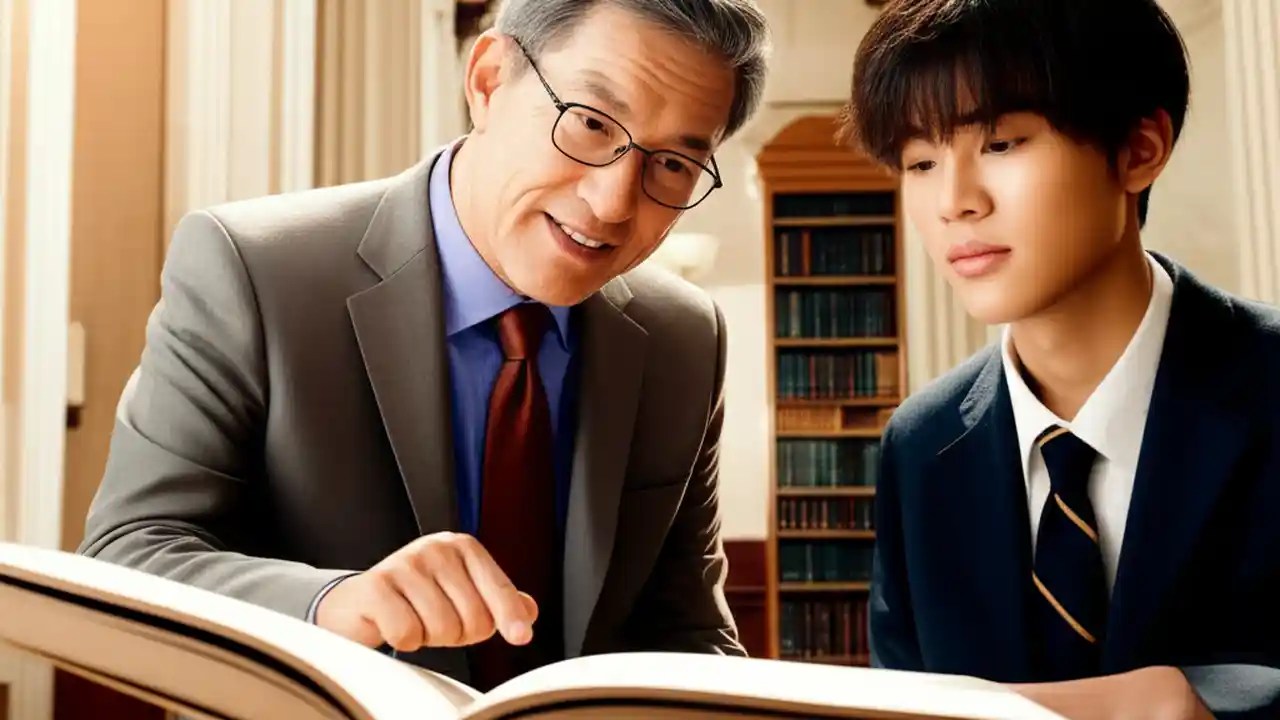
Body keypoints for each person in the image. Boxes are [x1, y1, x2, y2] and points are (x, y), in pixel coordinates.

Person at [78, 0, 770, 691]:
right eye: (589, 123)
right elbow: (127, 558)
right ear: (490, 79)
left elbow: (687, 631)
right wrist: (331, 604)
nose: (615, 202)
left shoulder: (684, 339)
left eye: (675, 165)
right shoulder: (254, 271)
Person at [838, 0, 1280, 717]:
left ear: (1139, 150)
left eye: (1003, 143)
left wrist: (1194, 702)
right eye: (920, 161)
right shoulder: (919, 447)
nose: (954, 202)